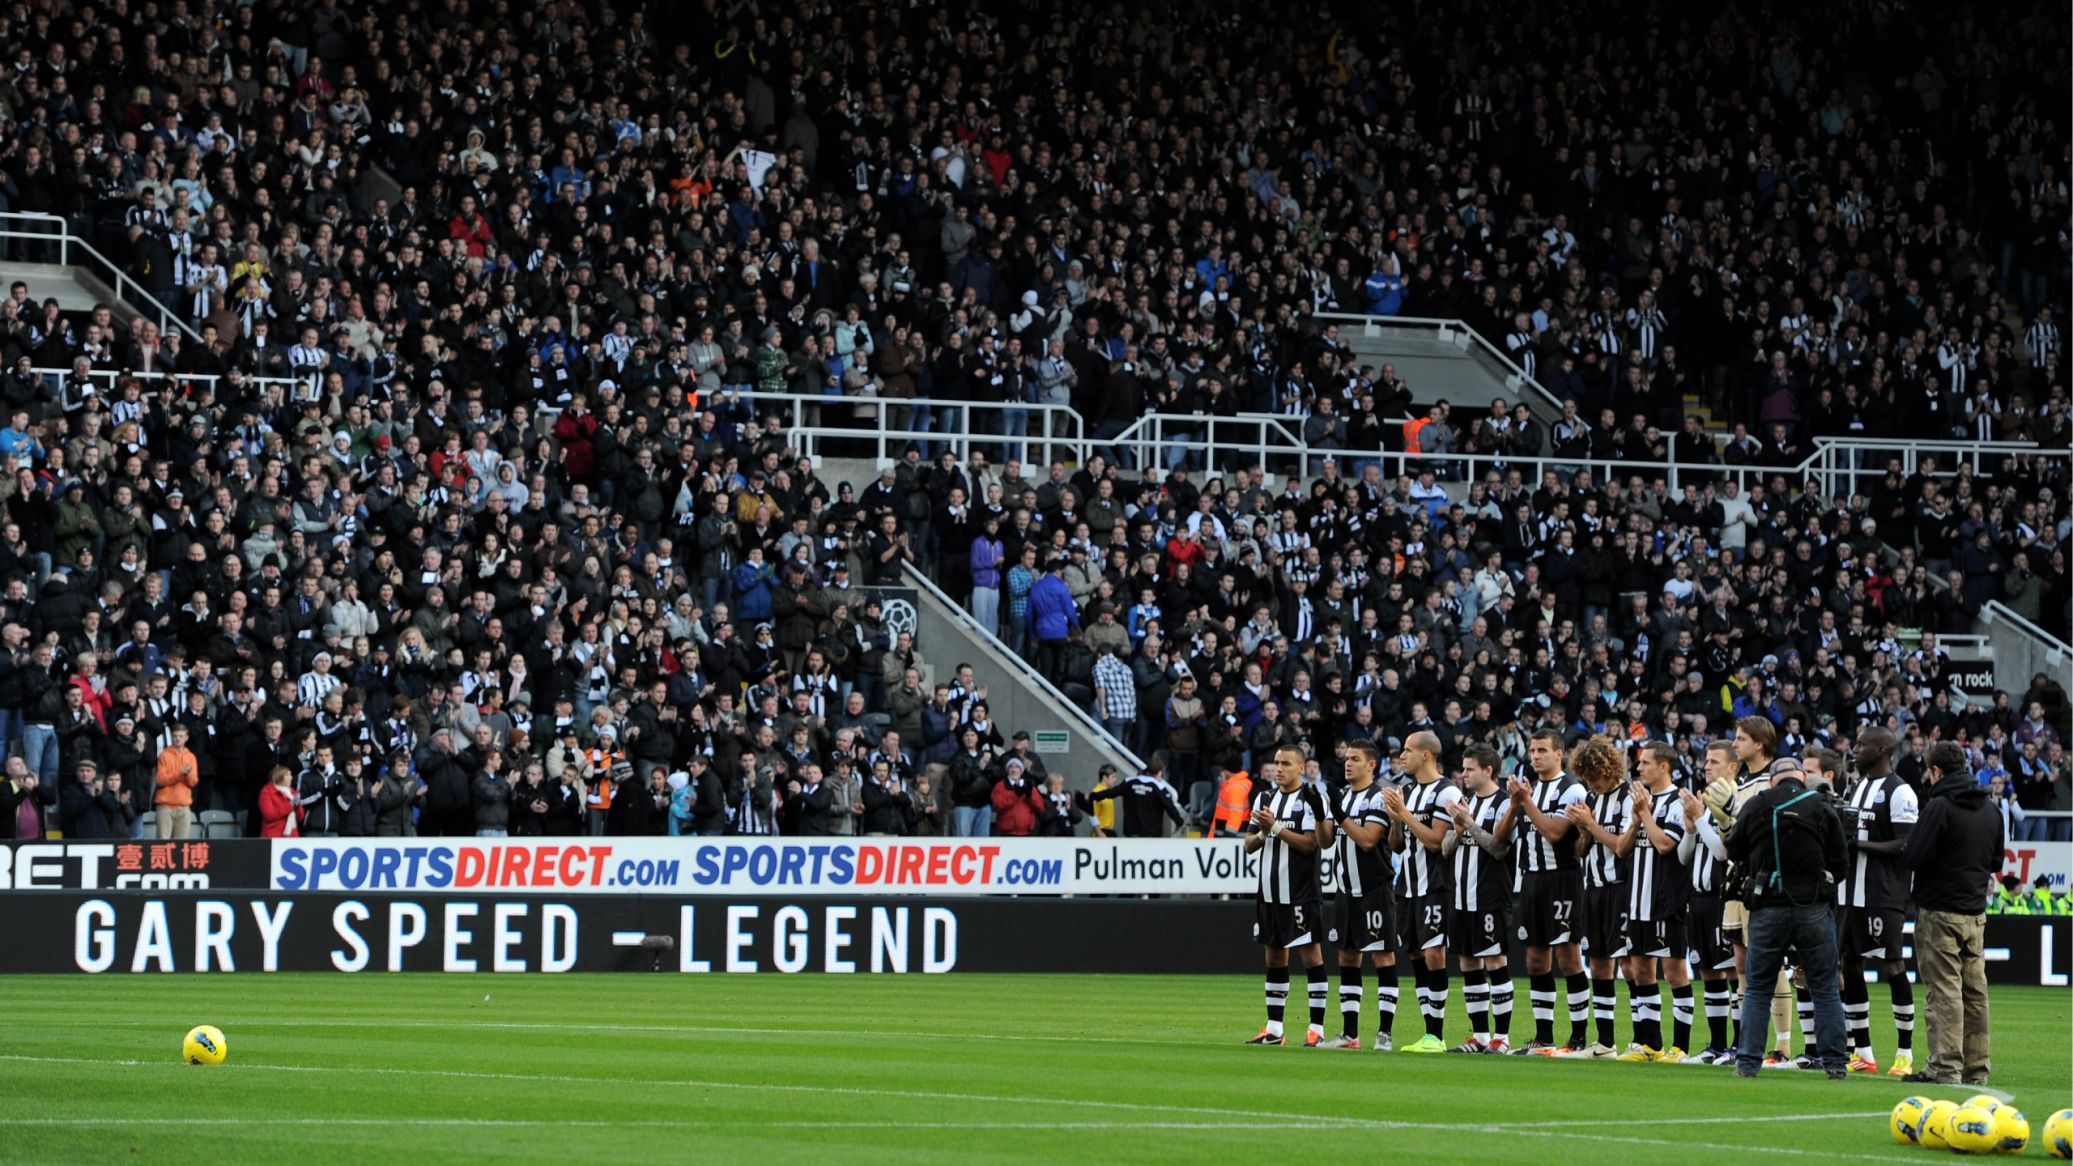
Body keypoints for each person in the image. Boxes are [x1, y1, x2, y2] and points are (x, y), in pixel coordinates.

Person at [1725, 740, 1849, 1079]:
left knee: (1758, 987)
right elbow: (1841, 864)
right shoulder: (1822, 807)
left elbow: (1733, 848)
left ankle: (1748, 1063)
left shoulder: (1758, 803)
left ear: (1773, 780)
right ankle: (1836, 1065)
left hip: (1768, 908)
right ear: (1801, 778)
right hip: (1813, 908)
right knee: (1824, 987)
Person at [1898, 740, 2002, 1086]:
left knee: (1943, 991)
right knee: (1975, 993)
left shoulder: (1940, 806)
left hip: (1939, 912)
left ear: (1936, 770)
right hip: (1975, 914)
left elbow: (1913, 856)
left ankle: (1945, 1068)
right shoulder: (1990, 808)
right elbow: (1997, 862)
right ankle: (1977, 1070)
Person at [1833, 727, 1918, 1077]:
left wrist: (1858, 847)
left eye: (1862, 744)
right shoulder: (1857, 788)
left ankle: (1905, 1052)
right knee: (1850, 964)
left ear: (1882, 749)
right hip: (1849, 894)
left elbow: (1904, 845)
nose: (1855, 749)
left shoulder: (1900, 791)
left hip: (1883, 894)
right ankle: (1864, 1052)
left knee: (1893, 965)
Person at [1504, 728, 1590, 1055]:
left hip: (1562, 879)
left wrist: (1525, 802)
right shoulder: (1530, 788)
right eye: (1532, 750)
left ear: (1559, 754)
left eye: (1542, 750)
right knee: (1535, 960)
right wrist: (1517, 804)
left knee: (1568, 958)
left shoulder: (1572, 789)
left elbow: (1555, 833)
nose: (1535, 756)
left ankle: (1578, 1038)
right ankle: (1544, 1037)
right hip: (1532, 880)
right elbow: (1503, 834)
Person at [1243, 743, 1331, 1047]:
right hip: (1268, 893)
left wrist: (1276, 827)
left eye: (1286, 764)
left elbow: (1310, 845)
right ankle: (1275, 1030)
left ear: (1302, 768)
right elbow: (1248, 844)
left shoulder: (1310, 799)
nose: (1279, 768)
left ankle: (1316, 1029)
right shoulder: (1264, 797)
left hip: (1301, 893)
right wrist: (1264, 832)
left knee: (1310, 955)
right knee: (1275, 956)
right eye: (1276, 762)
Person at [1385, 729, 1461, 1054]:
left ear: (1425, 755)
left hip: (1436, 886)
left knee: (1434, 953)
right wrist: (1394, 821)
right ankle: (1427, 1031)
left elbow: (1436, 842)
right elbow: (1397, 846)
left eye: (1407, 750)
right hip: (1408, 886)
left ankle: (1437, 1034)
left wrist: (1404, 814)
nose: (1402, 756)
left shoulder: (1448, 793)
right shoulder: (1408, 791)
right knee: (1415, 953)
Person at [1558, 733, 1633, 1060]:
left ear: (1610, 767)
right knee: (1600, 966)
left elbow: (1621, 846)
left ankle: (1646, 1040)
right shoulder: (1590, 797)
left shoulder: (1630, 795)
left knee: (1631, 966)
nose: (1593, 783)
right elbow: (1581, 849)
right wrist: (1584, 830)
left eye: (1596, 775)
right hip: (1594, 888)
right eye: (1587, 777)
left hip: (1622, 888)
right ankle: (1604, 1044)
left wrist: (1591, 823)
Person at [1442, 742, 1517, 1053]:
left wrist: (1469, 824)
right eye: (1463, 768)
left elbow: (1499, 848)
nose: (1463, 774)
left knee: (1495, 961)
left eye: (1470, 769)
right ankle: (1481, 1037)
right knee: (1468, 963)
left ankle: (1502, 1038)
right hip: (1461, 897)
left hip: (1489, 896)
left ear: (1488, 770)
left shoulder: (1504, 804)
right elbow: (1445, 848)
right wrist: (1459, 829)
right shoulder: (1465, 802)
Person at [1621, 740, 1692, 1062]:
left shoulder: (1677, 801)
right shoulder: (1637, 800)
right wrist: (1638, 816)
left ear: (1664, 766)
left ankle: (1681, 1047)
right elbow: (1624, 847)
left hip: (1665, 900)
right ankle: (1649, 1044)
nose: (1640, 768)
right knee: (1640, 971)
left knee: (1675, 972)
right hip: (1637, 899)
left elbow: (1665, 845)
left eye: (1646, 763)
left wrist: (1645, 814)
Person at [1321, 739, 1395, 1050]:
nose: (1347, 763)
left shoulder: (1378, 798)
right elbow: (1325, 842)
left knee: (1381, 957)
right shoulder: (1342, 797)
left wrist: (1338, 813)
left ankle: (1385, 1034)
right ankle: (1350, 1034)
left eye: (1355, 758)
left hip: (1373, 890)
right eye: (1346, 758)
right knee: (1347, 956)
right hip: (1345, 891)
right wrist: (1319, 812)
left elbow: (1367, 841)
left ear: (1371, 765)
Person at [1676, 740, 1746, 1064]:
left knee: (1732, 972)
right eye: (1706, 761)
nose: (1706, 766)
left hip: (1723, 900)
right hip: (1697, 899)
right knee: (1708, 972)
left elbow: (1723, 852)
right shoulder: (1701, 801)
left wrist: (1701, 818)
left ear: (1732, 767)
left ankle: (1739, 1045)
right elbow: (1683, 856)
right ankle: (1717, 1045)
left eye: (1714, 761)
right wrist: (1691, 828)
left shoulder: (1734, 803)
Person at [152, 721, 200, 839]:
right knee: (163, 843)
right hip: (165, 805)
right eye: (175, 736)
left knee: (182, 845)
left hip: (183, 805)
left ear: (186, 738)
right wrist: (180, 774)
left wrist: (186, 775)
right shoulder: (164, 755)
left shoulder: (191, 757)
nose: (177, 739)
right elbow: (160, 780)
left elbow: (193, 782)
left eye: (180, 736)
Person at [258, 766, 300, 837]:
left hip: (292, 835)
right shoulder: (266, 792)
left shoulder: (293, 793)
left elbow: (300, 817)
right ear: (278, 777)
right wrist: (290, 805)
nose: (291, 777)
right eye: (287, 775)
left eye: (290, 775)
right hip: (274, 835)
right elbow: (269, 815)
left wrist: (298, 806)